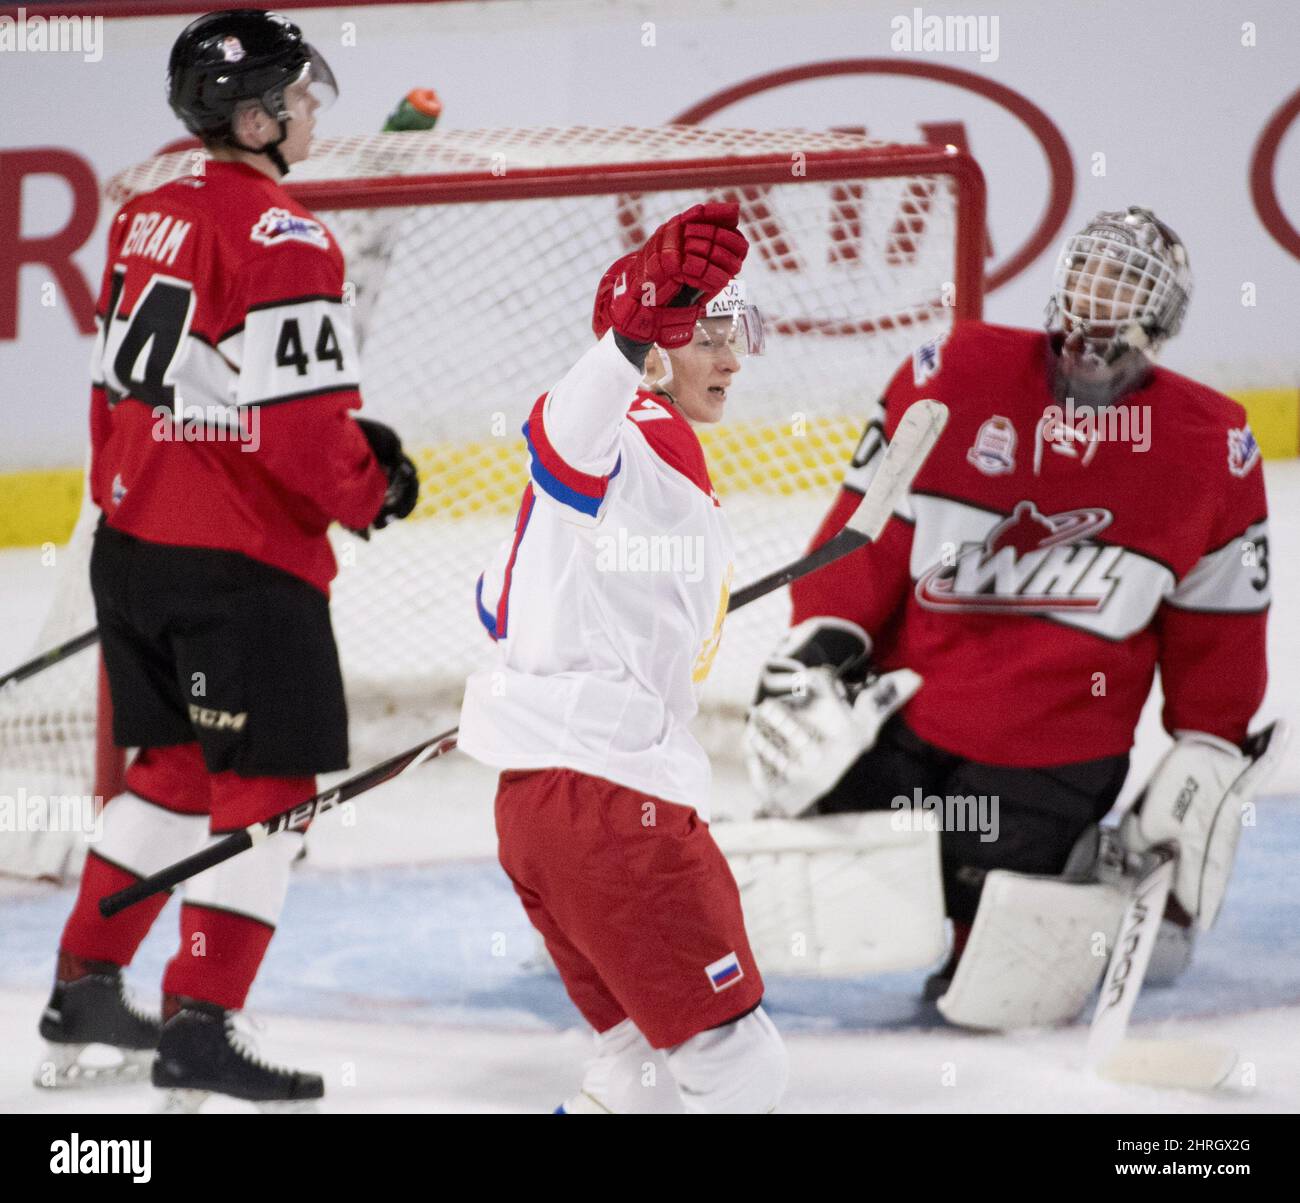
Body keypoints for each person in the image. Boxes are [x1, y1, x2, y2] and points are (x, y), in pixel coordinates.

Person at [745, 206, 1271, 1023]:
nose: (1088, 349)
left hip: (1055, 749)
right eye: (1080, 312)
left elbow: (1222, 629)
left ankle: (1083, 869)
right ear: (1057, 300)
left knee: (999, 999)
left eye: (1118, 319)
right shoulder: (952, 375)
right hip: (909, 716)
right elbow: (867, 534)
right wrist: (821, 642)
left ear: (1160, 329)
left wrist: (1208, 750)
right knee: (810, 857)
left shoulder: (1213, 446)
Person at [35, 9, 419, 1109]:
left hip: (136, 544)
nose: (310, 110)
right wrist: (371, 488)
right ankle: (203, 1025)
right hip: (238, 570)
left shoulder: (149, 210)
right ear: (251, 115)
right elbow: (302, 434)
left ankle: (86, 986)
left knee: (170, 774)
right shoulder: (287, 237)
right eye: (296, 95)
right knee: (269, 795)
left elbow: (147, 392)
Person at [458, 203, 789, 1112]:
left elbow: (495, 602)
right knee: (739, 1063)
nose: (730, 358)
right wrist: (626, 337)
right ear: (648, 350)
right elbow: (567, 430)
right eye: (705, 335)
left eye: (736, 333)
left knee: (635, 1067)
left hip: (537, 808)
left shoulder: (617, 477)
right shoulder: (635, 427)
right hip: (613, 808)